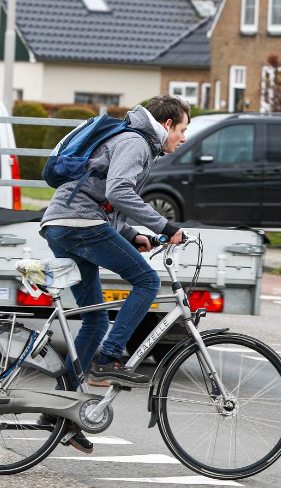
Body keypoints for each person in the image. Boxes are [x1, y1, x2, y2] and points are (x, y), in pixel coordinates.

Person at [37, 95, 189, 452]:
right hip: (79, 223)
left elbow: (102, 197)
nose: (183, 138)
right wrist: (165, 226)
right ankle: (108, 360)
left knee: (94, 320)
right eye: (182, 130)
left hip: (63, 224)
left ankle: (59, 412)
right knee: (147, 281)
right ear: (166, 125)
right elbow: (117, 191)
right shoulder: (135, 141)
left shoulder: (133, 139)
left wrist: (134, 235)